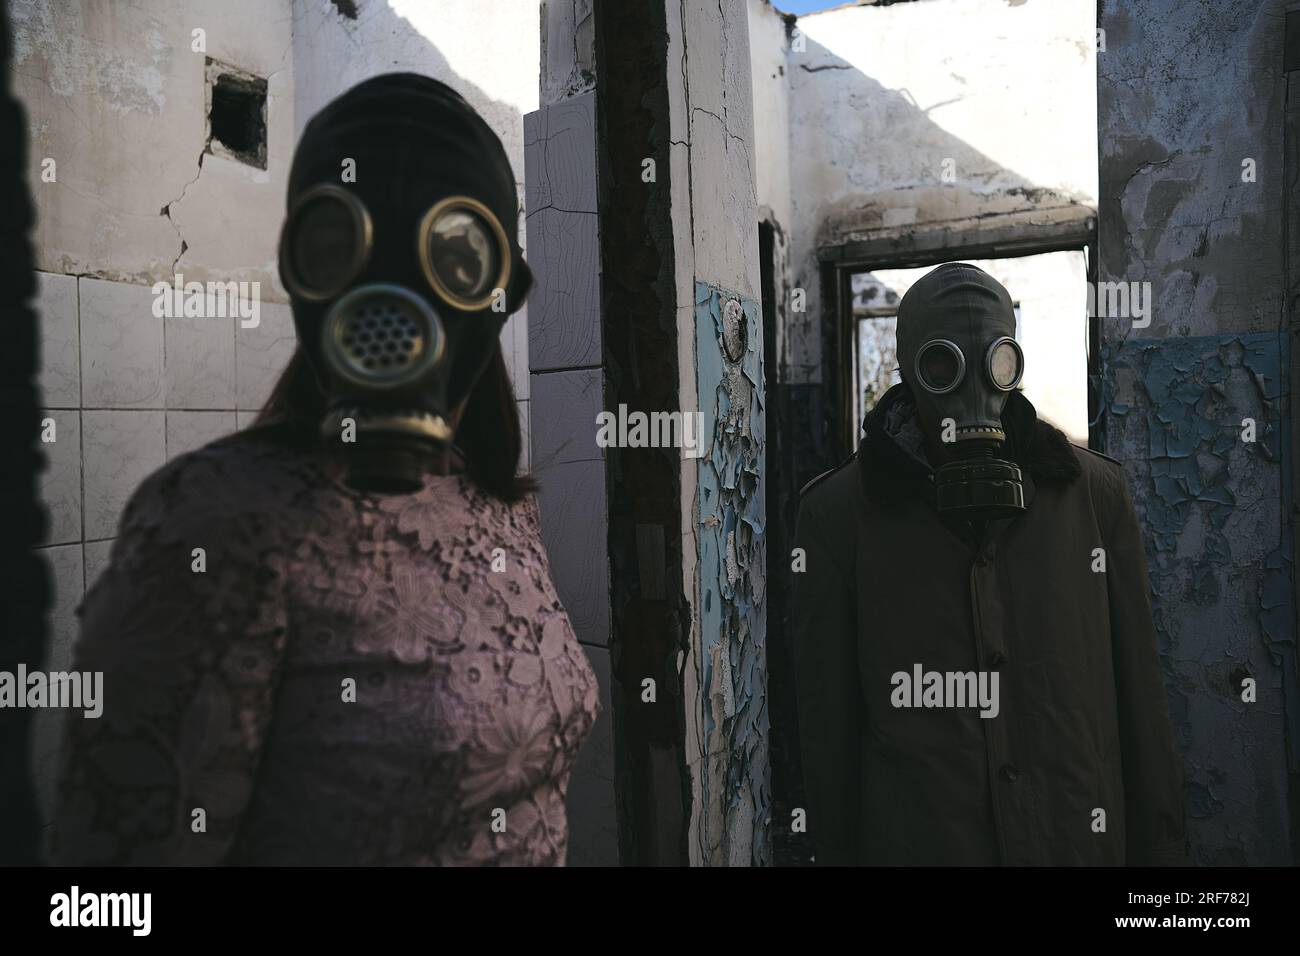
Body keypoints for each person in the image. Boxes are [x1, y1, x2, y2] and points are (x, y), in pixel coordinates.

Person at [51, 74, 598, 866]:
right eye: (347, 246)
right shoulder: (213, 526)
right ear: (303, 269)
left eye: (453, 256)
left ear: (503, 289)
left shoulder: (497, 505)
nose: (395, 303)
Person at [792, 261, 1187, 865]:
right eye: (943, 366)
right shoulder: (837, 518)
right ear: (906, 372)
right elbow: (829, 736)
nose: (973, 391)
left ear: (1014, 366)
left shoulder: (1095, 498)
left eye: (996, 362)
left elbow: (1140, 702)